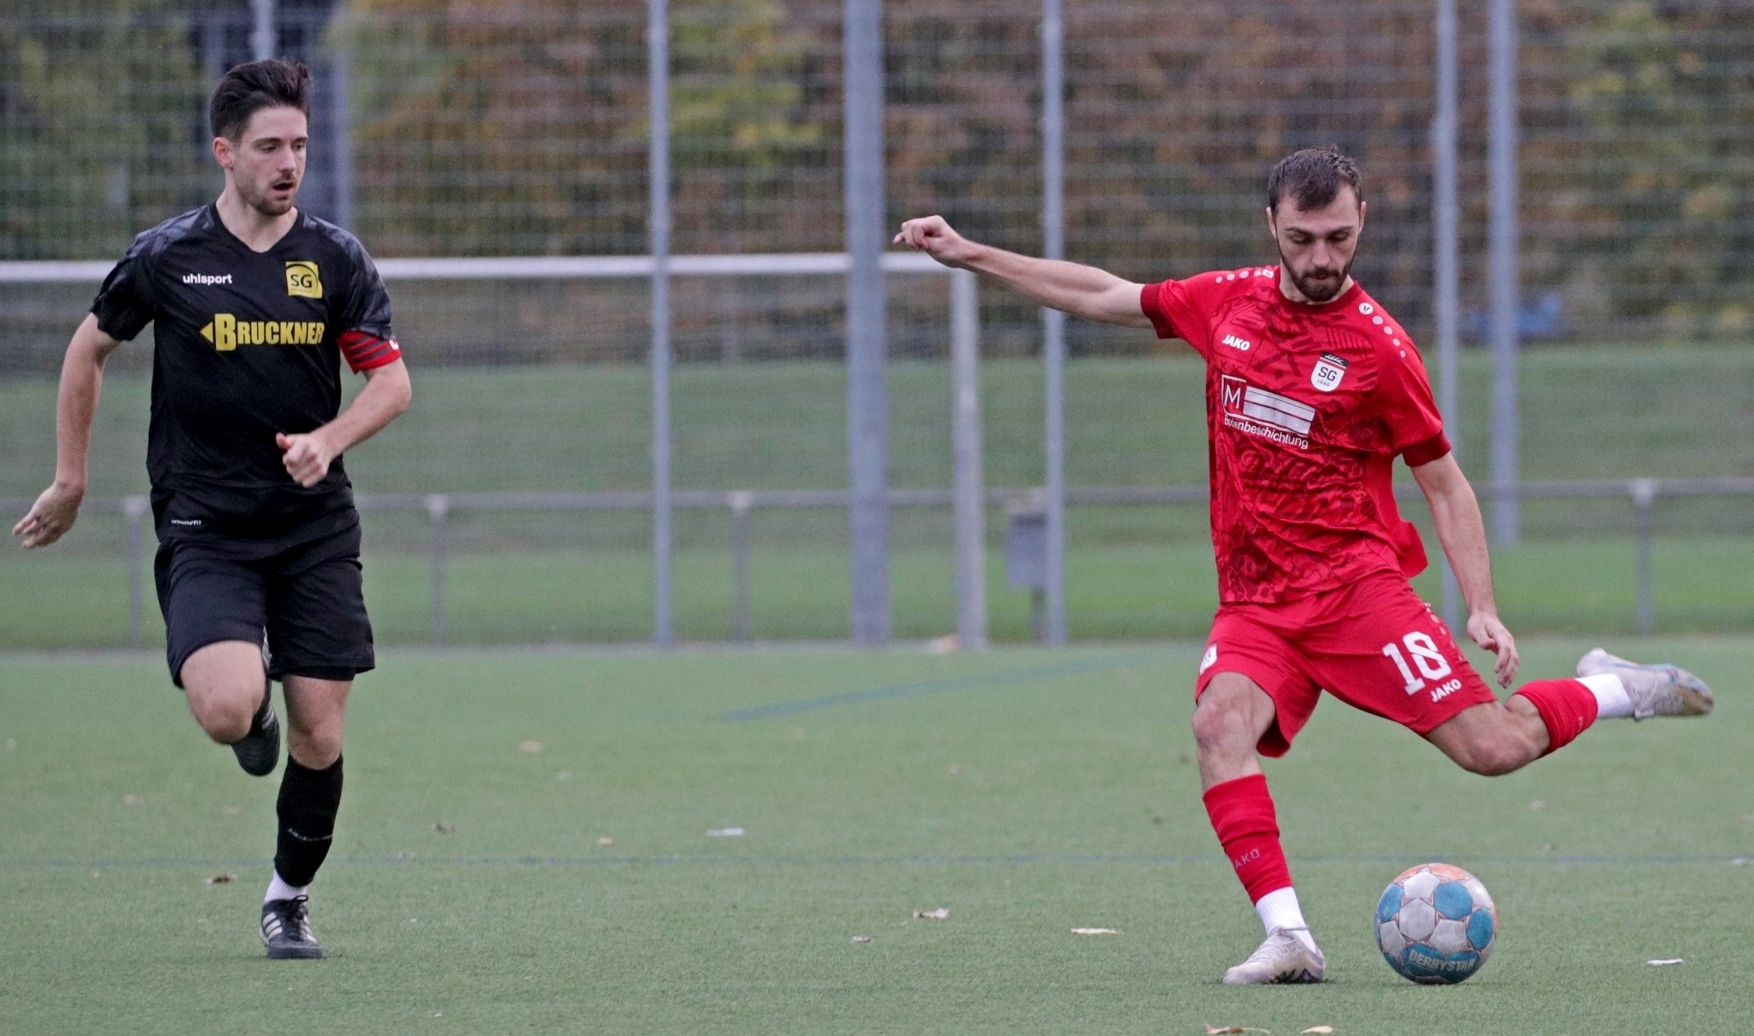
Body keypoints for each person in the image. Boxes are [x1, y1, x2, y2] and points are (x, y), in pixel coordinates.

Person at [894, 145, 1712, 985]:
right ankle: (1289, 937)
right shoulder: (1225, 304)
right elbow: (1104, 293)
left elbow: (1445, 483)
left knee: (1494, 749)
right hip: (1257, 606)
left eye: (1338, 237)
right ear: (1272, 228)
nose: (1322, 258)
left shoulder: (1380, 350)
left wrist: (1483, 605)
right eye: (1303, 239)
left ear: (1361, 225)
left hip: (1358, 593)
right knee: (1217, 727)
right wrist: (973, 254)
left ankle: (1618, 687)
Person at [12, 58, 412, 960]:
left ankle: (287, 898)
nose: (288, 163)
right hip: (208, 528)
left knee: (321, 728)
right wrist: (70, 481)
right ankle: (251, 710)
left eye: (301, 145)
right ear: (224, 152)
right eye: (269, 146)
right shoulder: (168, 257)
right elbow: (87, 352)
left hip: (313, 528)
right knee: (231, 711)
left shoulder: (334, 260)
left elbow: (390, 384)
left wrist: (330, 439)